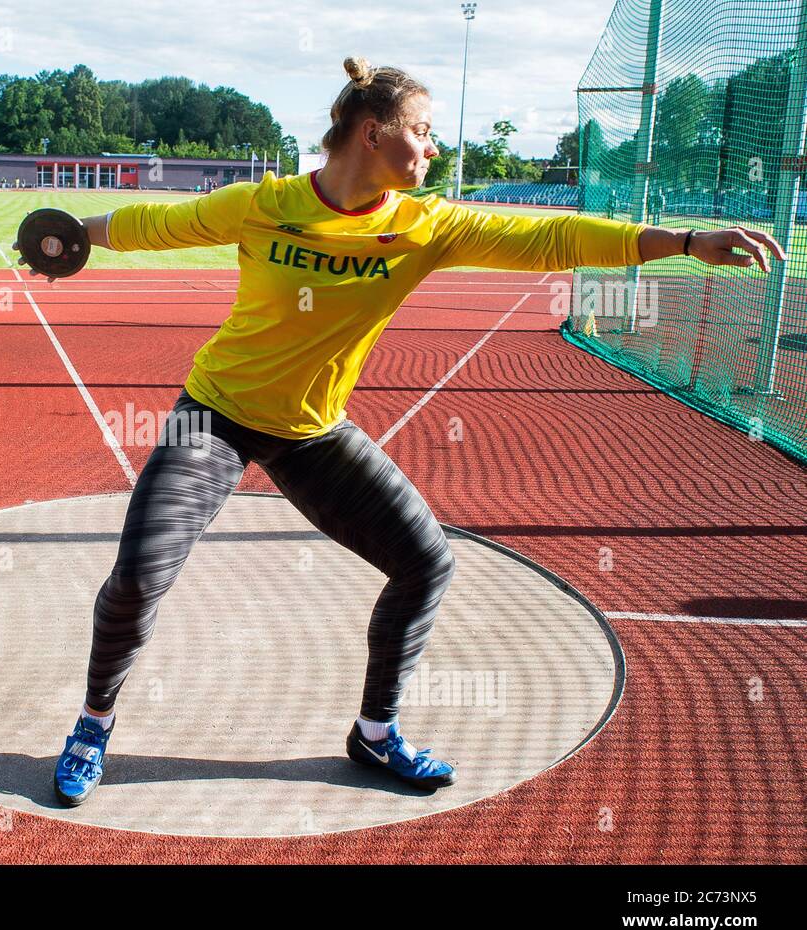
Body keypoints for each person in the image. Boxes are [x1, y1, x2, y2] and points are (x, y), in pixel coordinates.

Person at [39, 58, 786, 807]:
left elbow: (553, 238)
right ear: (373, 133)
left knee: (426, 562)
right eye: (423, 132)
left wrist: (685, 241)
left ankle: (374, 731)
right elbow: (154, 224)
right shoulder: (261, 205)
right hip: (216, 416)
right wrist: (71, 235)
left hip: (314, 432)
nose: (434, 150)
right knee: (139, 578)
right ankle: (92, 724)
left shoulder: (425, 225)